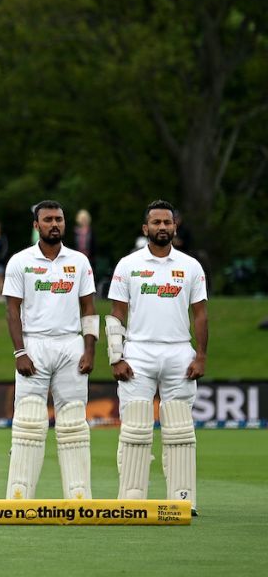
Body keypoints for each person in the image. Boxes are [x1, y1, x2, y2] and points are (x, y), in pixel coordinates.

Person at [107, 200, 208, 515]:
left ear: (175, 227)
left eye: (167, 222)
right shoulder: (128, 264)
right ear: (145, 228)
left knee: (179, 429)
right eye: (156, 222)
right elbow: (116, 315)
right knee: (135, 427)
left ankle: (182, 499)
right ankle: (132, 499)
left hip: (179, 350)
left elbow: (201, 315)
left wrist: (201, 356)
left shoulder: (190, 266)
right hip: (138, 350)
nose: (162, 227)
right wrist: (116, 357)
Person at [3, 200, 97, 500]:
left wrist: (90, 349)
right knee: (29, 421)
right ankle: (19, 496)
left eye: (58, 219)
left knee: (73, 422)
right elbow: (12, 310)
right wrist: (20, 352)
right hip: (35, 343)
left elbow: (89, 309)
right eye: (47, 220)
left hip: (71, 343)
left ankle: (79, 495)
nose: (54, 224)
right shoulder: (20, 261)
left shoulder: (79, 262)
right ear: (36, 225)